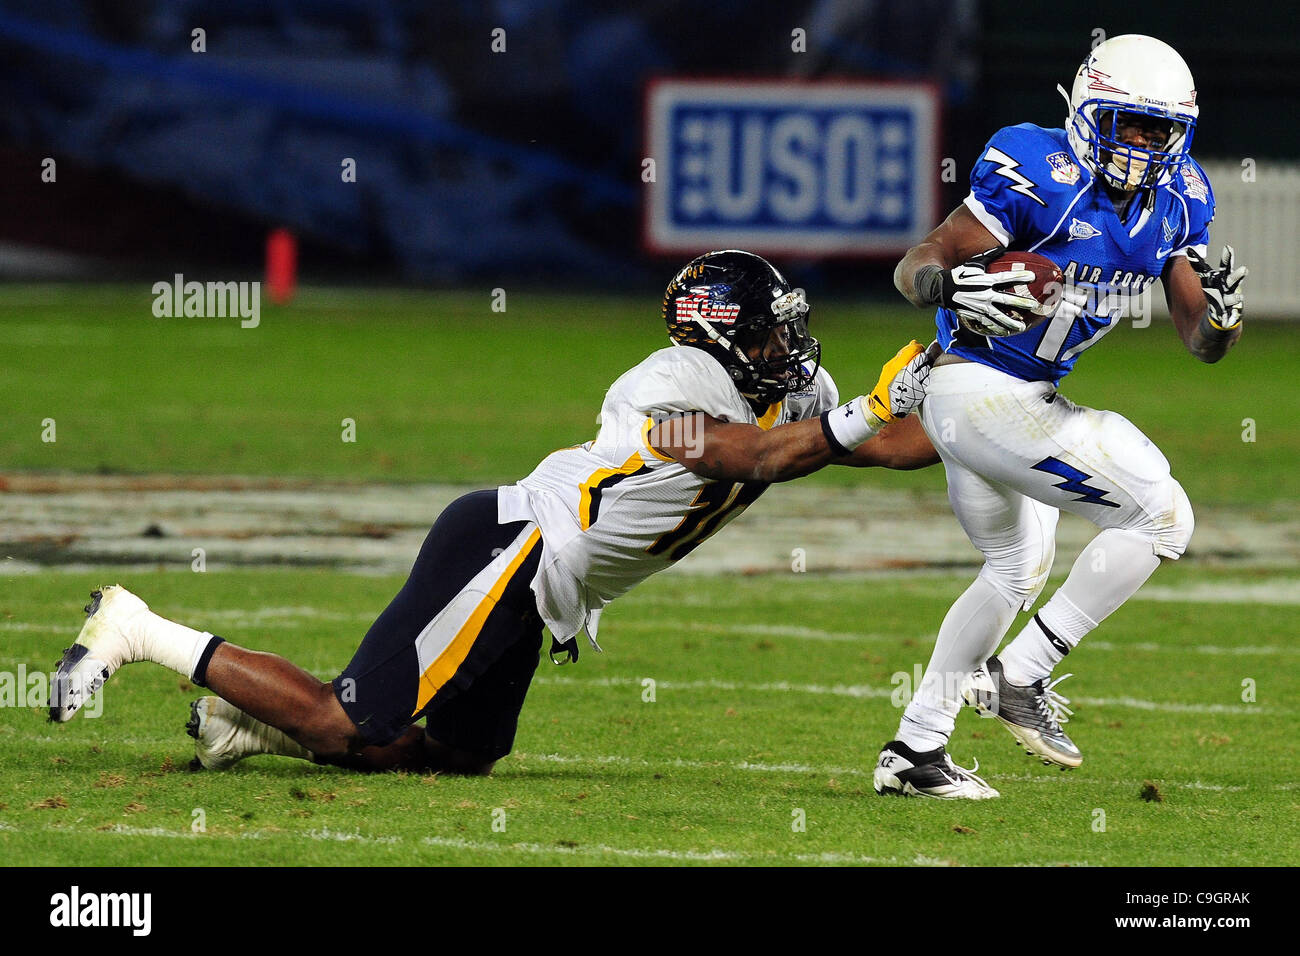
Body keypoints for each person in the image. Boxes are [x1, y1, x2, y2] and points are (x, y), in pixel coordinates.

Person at [51, 249, 943, 778]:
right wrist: (869, 406)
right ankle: (139, 629)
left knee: (460, 755)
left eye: (784, 329)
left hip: (551, 586)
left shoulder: (800, 392)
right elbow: (753, 456)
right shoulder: (669, 386)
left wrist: (964, 409)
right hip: (512, 544)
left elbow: (880, 443)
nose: (783, 348)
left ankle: (254, 727)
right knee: (345, 721)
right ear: (715, 338)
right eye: (763, 333)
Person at [874, 34, 1248, 800]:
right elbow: (918, 261)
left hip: (1021, 401)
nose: (1143, 145)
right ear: (1085, 110)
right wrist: (944, 287)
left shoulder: (1181, 199)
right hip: (973, 389)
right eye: (1127, 123)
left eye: (1158, 130)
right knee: (1164, 515)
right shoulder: (1035, 166)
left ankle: (914, 752)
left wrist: (1224, 322)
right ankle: (1020, 673)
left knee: (1014, 571)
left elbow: (1198, 340)